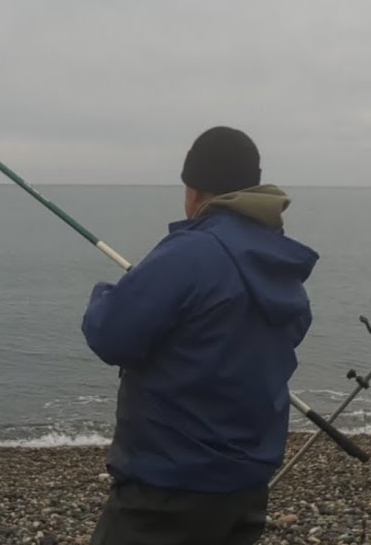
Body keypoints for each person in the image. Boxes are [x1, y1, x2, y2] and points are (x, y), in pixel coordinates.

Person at [82, 125, 319, 545]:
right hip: (246, 485)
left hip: (169, 486)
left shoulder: (190, 252)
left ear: (195, 192)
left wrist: (106, 292)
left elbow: (111, 335)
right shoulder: (278, 259)